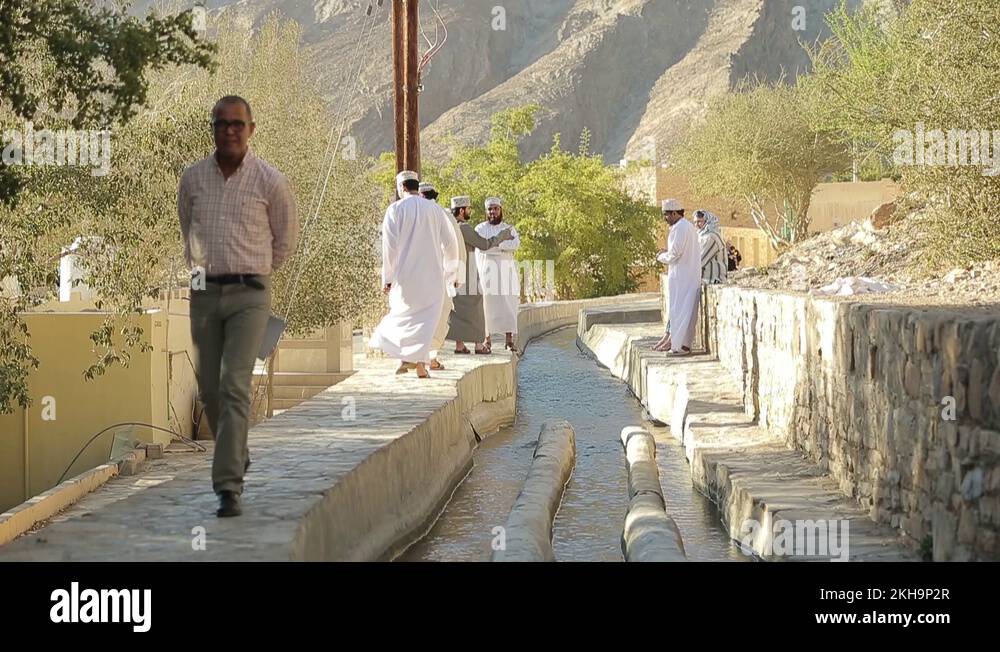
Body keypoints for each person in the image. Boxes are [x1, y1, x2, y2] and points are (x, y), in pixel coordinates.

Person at [178, 95, 299, 518]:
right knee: (210, 388)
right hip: (206, 292)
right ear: (212, 128)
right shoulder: (192, 178)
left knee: (233, 383)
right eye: (222, 123)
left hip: (251, 294)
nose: (230, 130)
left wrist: (259, 272)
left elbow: (285, 239)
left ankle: (228, 486)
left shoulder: (270, 181)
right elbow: (187, 230)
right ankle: (237, 450)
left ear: (251, 129)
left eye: (237, 123)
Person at [369, 171, 460, 379]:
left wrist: (388, 278)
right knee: (426, 323)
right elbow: (451, 242)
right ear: (416, 187)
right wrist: (451, 272)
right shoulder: (435, 210)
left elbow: (389, 248)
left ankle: (408, 360)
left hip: (405, 278)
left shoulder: (395, 209)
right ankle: (418, 365)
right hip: (433, 278)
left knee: (403, 317)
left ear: (401, 188)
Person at [446, 196, 512, 354]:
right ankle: (478, 344)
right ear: (461, 210)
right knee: (476, 306)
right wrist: (503, 235)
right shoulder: (464, 228)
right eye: (468, 209)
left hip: (451, 271)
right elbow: (484, 244)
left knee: (457, 309)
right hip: (467, 271)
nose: (469, 212)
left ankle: (460, 345)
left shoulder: (448, 226)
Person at [420, 182, 463, 371]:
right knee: (436, 316)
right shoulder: (443, 215)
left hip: (425, 275)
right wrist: (456, 274)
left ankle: (425, 358)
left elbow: (454, 245)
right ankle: (427, 358)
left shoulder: (438, 215)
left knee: (429, 316)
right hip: (437, 276)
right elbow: (456, 247)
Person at [651, 199, 700, 355]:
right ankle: (683, 345)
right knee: (686, 311)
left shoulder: (680, 228)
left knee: (678, 311)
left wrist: (660, 256)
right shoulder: (687, 227)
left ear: (674, 213)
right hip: (688, 276)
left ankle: (677, 346)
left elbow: (674, 254)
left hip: (682, 277)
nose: (665, 218)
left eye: (666, 215)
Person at [475, 197, 521, 353]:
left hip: (506, 274)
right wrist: (500, 245)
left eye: (495, 208)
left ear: (501, 210)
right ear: (486, 211)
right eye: (490, 209)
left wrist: (495, 244)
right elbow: (482, 247)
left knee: (508, 305)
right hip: (487, 273)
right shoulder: (480, 228)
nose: (492, 212)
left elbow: (514, 244)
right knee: (487, 306)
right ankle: (487, 340)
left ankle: (509, 341)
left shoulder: (509, 228)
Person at [694, 209, 727, 284]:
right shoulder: (701, 236)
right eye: (695, 222)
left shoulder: (711, 237)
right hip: (705, 280)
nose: (696, 224)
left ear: (707, 221)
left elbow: (700, 260)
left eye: (699, 221)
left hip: (713, 281)